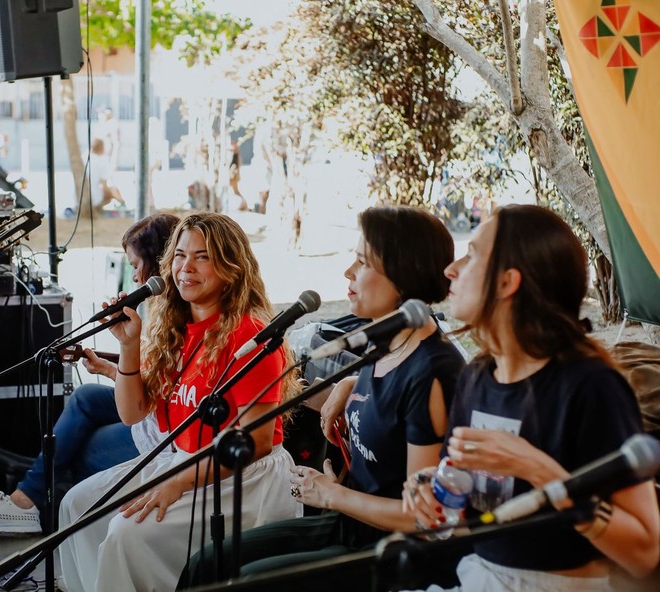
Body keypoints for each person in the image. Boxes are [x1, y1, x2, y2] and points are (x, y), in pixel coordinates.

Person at [180, 206, 465, 589]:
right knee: (208, 563)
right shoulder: (385, 341)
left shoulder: (432, 372)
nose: (348, 272)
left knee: (247, 581)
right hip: (351, 521)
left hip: (393, 547)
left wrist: (333, 496)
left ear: (402, 275)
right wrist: (348, 388)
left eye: (362, 262)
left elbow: (422, 518)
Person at [403, 204, 660, 591]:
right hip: (477, 575)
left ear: (507, 282)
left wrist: (540, 471)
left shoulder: (592, 387)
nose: (449, 270)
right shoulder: (476, 376)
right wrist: (426, 488)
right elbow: (458, 491)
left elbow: (644, 555)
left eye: (471, 255)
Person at [58, 212, 301, 592]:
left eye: (202, 257)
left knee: (126, 534)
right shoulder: (173, 326)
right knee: (77, 506)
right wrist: (128, 345)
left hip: (241, 474)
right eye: (180, 255)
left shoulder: (250, 336)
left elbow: (256, 442)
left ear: (232, 268)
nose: (186, 268)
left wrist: (177, 483)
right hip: (185, 463)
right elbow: (132, 412)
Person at [0, 213, 180, 536]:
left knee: (78, 450)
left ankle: (33, 507)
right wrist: (108, 367)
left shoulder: (179, 315)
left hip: (164, 427)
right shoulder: (163, 309)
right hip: (153, 407)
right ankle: (26, 503)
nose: (133, 278)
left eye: (135, 265)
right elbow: (155, 378)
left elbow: (160, 393)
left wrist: (122, 363)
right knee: (85, 397)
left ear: (157, 262)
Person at [88, 137, 126, 214]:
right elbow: (105, 187)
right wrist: (116, 197)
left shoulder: (84, 156)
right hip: (93, 200)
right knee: (113, 189)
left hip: (78, 199)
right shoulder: (101, 161)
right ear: (102, 148)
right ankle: (123, 204)